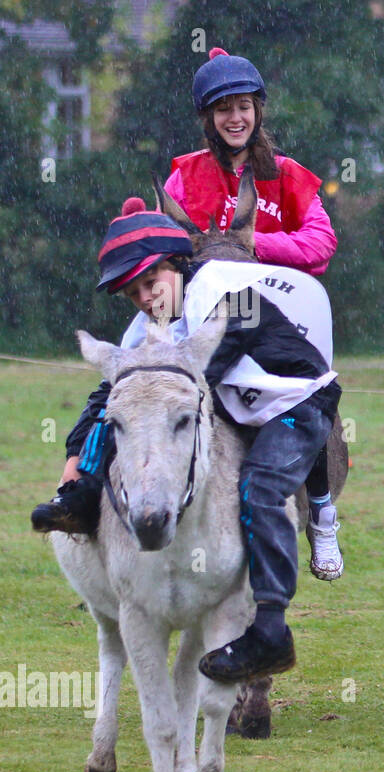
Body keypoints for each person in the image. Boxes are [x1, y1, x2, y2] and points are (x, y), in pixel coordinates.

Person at [31, 197, 341, 684]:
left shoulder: (226, 293)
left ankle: (271, 632)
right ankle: (84, 496)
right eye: (133, 293)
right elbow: (115, 385)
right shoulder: (158, 314)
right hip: (245, 401)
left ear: (176, 265)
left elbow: (191, 379)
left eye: (151, 284)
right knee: (130, 405)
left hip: (298, 405)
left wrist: (150, 389)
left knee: (259, 488)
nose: (146, 299)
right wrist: (76, 455)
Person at [167, 46, 343, 580]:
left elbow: (320, 244)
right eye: (223, 110)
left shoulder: (287, 175)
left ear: (257, 111)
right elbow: (164, 246)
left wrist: (249, 246)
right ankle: (98, 499)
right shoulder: (185, 178)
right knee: (132, 381)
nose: (235, 117)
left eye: (243, 106)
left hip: (272, 318)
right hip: (200, 318)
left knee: (311, 392)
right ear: (208, 119)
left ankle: (323, 510)